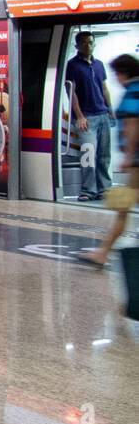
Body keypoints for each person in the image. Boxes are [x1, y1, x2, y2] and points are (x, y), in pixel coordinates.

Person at [81, 54, 139, 266]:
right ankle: (102, 252)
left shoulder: (133, 91)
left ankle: (102, 252)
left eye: (115, 73)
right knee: (123, 208)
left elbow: (134, 124)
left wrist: (129, 155)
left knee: (122, 209)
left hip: (137, 162)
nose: (115, 78)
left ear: (123, 72)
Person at [65, 31, 114, 201]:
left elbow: (104, 88)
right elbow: (71, 92)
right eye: (84, 43)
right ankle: (88, 190)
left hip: (102, 115)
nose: (88, 45)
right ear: (77, 45)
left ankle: (104, 189)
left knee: (104, 155)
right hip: (86, 117)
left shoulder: (99, 64)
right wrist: (79, 116)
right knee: (88, 155)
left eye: (91, 42)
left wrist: (110, 110)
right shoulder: (72, 65)